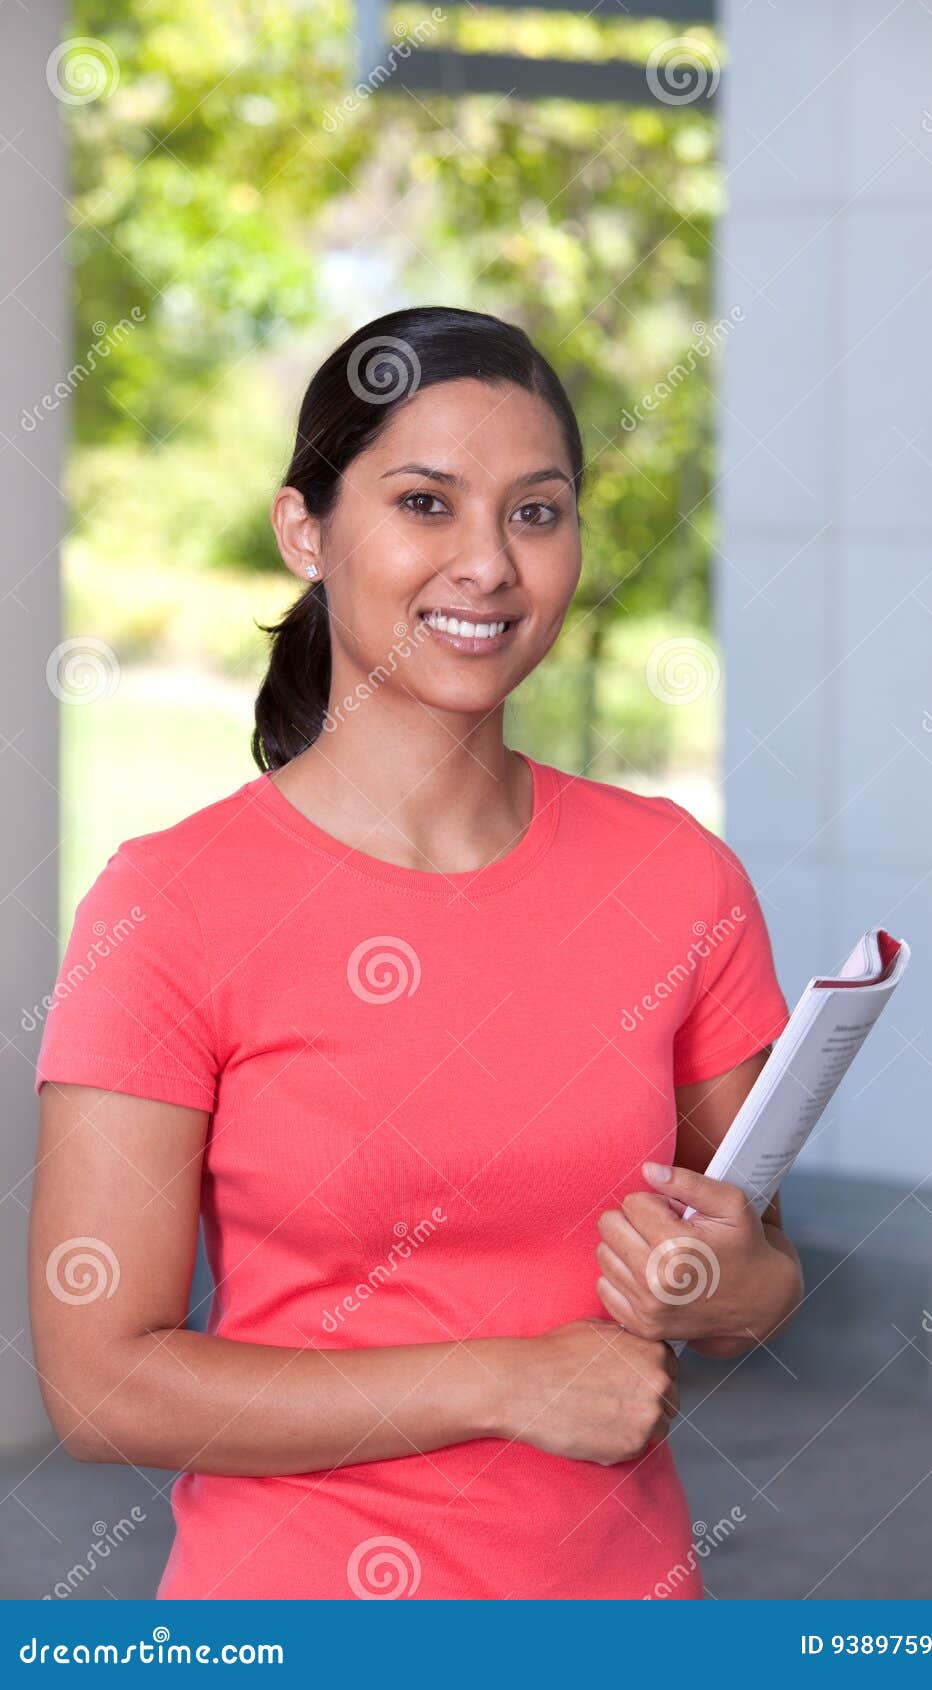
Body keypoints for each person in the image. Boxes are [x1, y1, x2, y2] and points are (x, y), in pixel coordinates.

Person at [30, 305, 802, 1601]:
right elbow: (100, 1381)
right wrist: (503, 1381)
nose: (489, 564)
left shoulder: (678, 878)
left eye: (536, 511)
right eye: (426, 503)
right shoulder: (169, 904)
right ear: (305, 531)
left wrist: (727, 1283)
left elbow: (759, 1275)